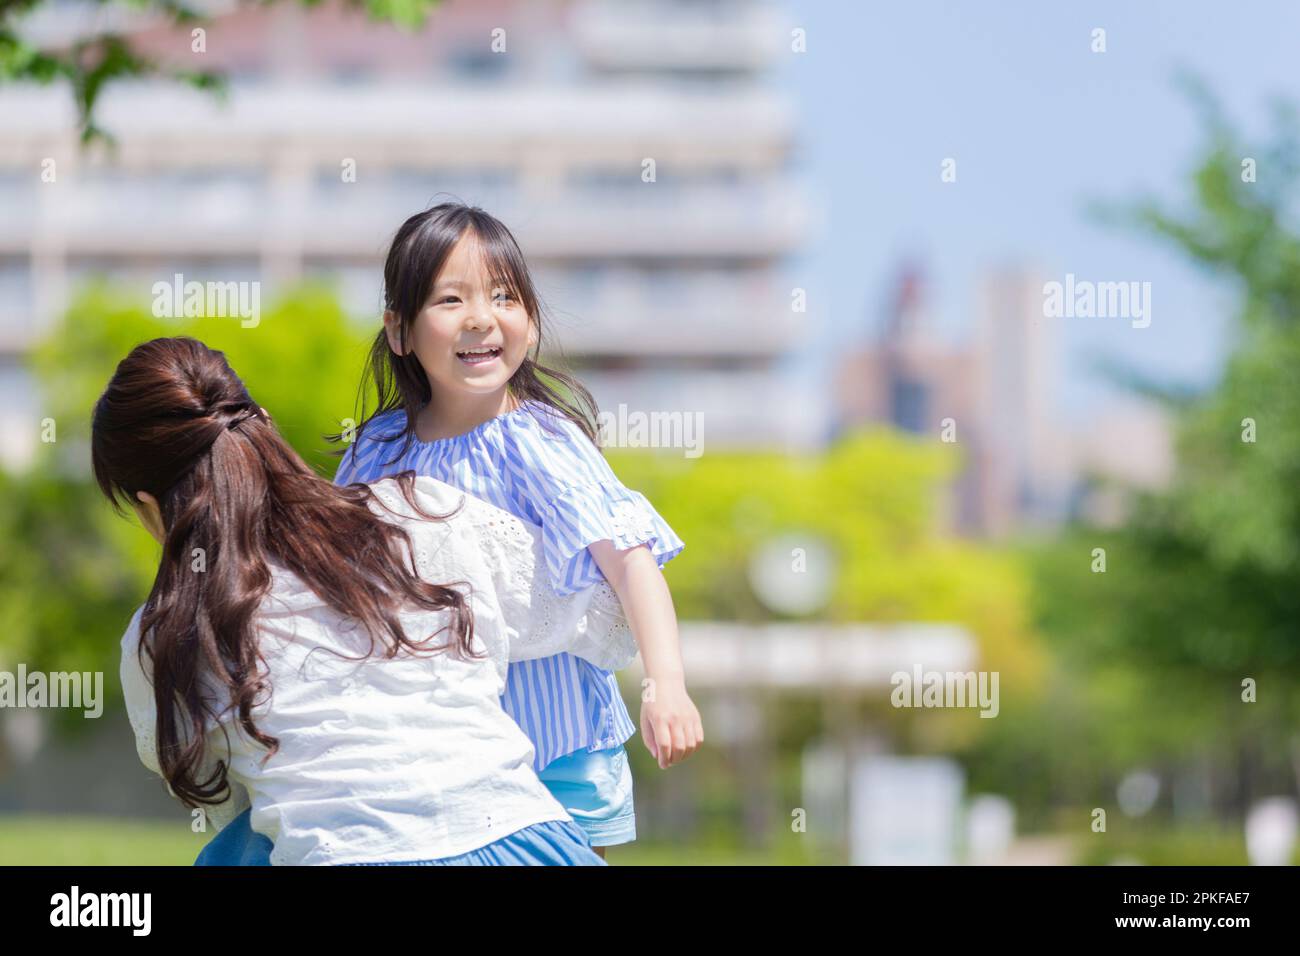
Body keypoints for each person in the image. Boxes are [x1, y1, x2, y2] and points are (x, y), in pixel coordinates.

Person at [96, 336, 637, 865]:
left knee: (237, 850)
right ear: (262, 422)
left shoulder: (167, 635)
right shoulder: (418, 513)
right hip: (532, 842)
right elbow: (610, 614)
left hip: (353, 855)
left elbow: (224, 798)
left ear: (147, 505)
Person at [334, 202, 704, 855]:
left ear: (530, 323)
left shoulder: (539, 440)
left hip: (554, 746)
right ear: (399, 331)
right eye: (451, 299)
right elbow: (331, 573)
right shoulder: (379, 448)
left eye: (504, 295)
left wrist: (665, 686)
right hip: (431, 751)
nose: (481, 316)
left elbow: (632, 562)